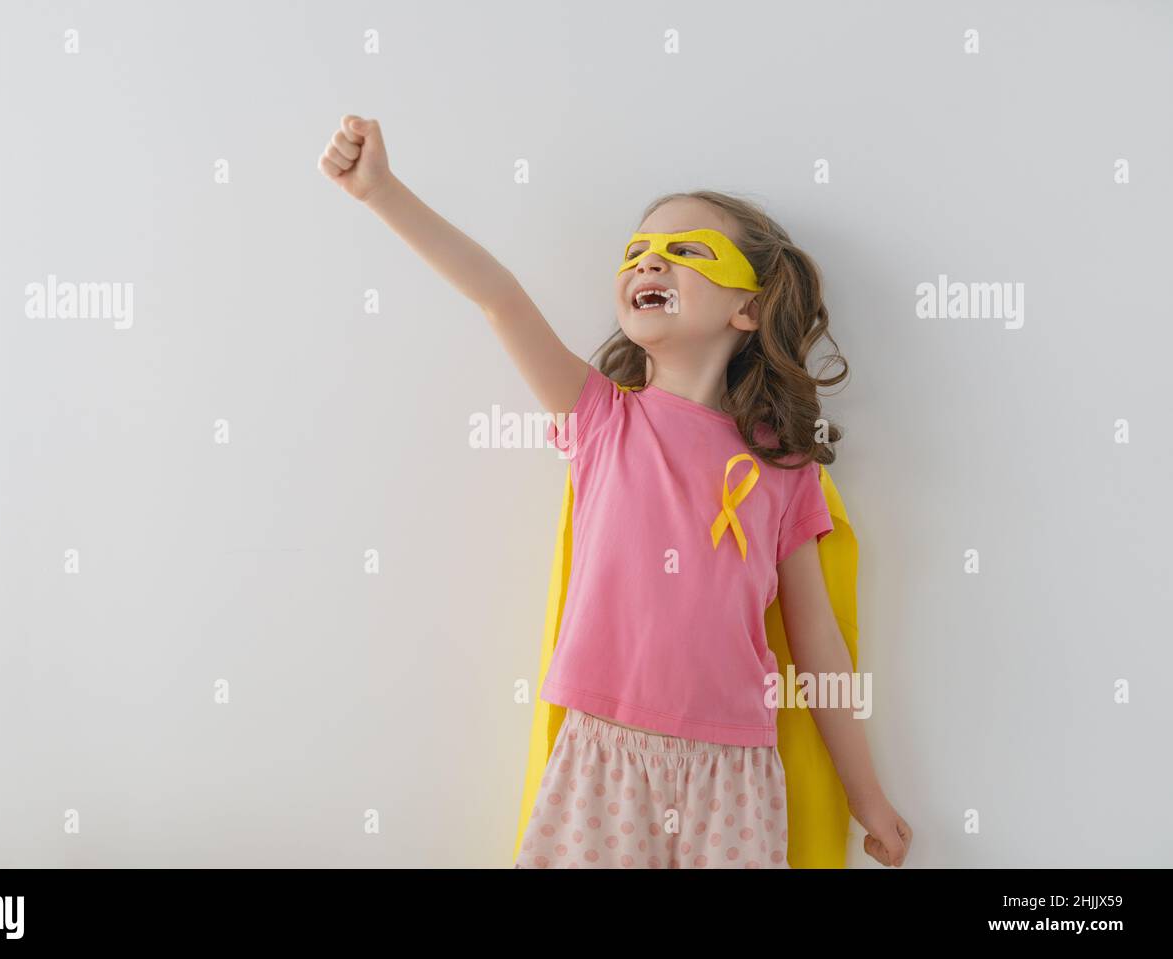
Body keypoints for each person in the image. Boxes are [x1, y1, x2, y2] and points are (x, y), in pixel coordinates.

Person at [318, 115, 912, 869]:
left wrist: (868, 797)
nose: (648, 263)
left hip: (735, 774)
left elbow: (820, 648)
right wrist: (381, 192)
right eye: (636, 253)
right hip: (603, 759)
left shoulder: (787, 472)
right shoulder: (600, 417)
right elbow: (500, 298)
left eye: (685, 251)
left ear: (749, 308)